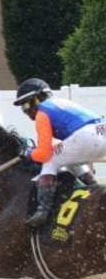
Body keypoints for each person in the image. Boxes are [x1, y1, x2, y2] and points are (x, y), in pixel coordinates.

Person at [14, 78, 106, 226]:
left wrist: (29, 154)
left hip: (86, 137)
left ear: (37, 99)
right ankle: (93, 186)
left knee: (50, 160)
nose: (26, 112)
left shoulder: (42, 113)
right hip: (102, 131)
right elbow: (64, 146)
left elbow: (44, 153)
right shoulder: (61, 103)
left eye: (25, 105)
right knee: (67, 157)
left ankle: (43, 211)